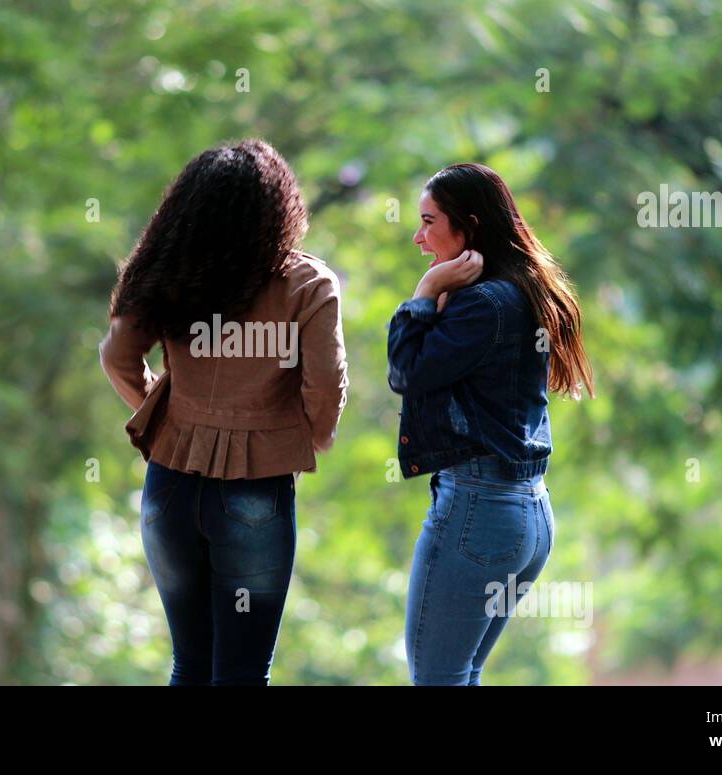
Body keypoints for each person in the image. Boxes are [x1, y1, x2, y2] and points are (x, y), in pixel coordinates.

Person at [100, 139, 348, 685]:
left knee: (189, 664)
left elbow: (117, 355)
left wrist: (165, 413)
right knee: (241, 673)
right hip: (256, 489)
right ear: (282, 206)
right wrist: (311, 436)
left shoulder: (165, 274)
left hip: (169, 487)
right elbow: (325, 388)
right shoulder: (307, 285)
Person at [387, 162, 595, 685]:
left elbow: (406, 371)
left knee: (439, 678)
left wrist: (426, 287)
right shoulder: (520, 293)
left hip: (479, 509)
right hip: (527, 512)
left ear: (470, 228)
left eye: (429, 221)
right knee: (462, 674)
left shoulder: (483, 303)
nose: (419, 237)